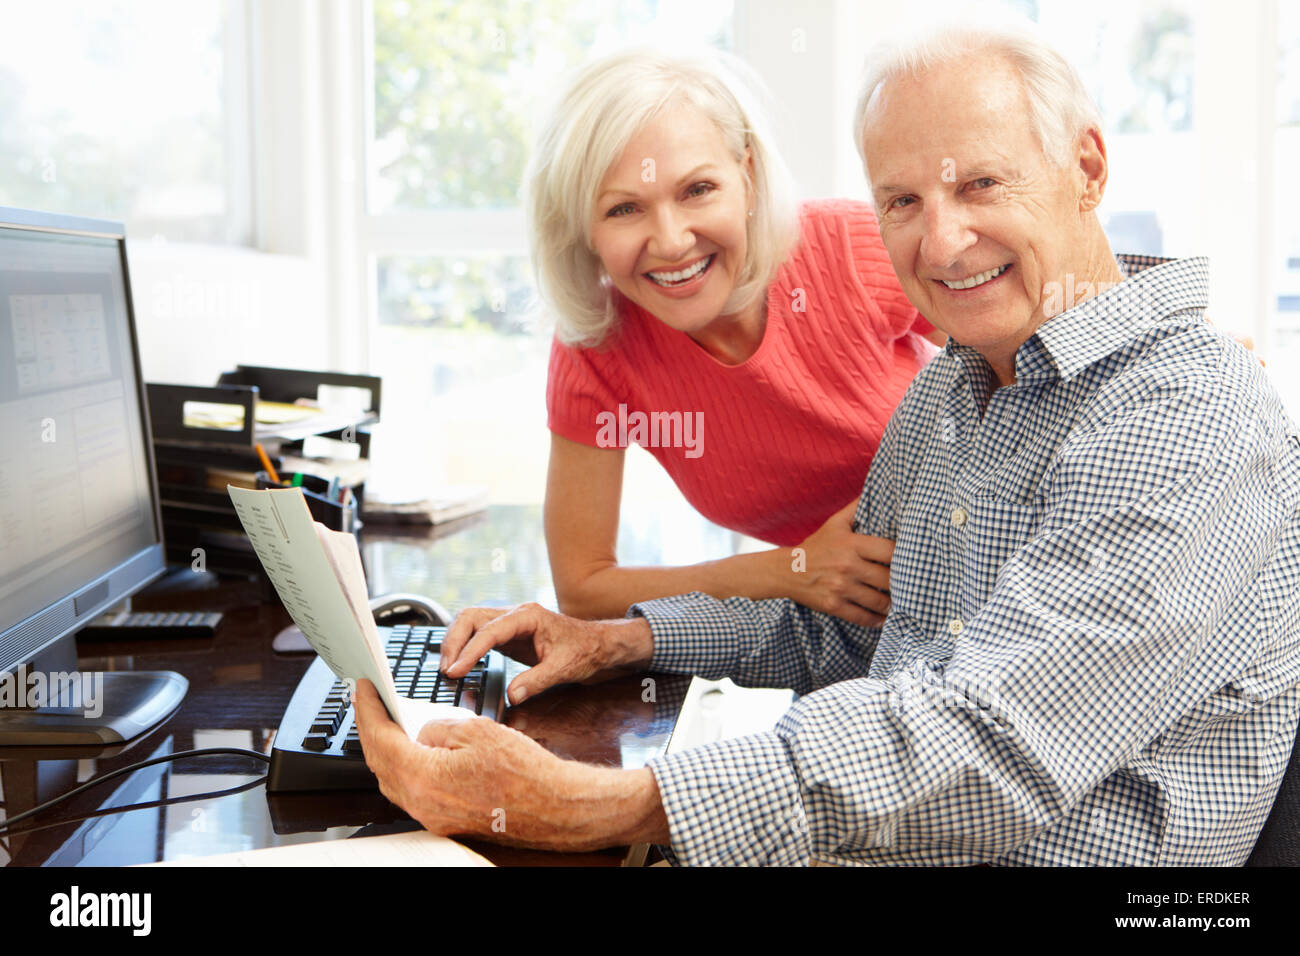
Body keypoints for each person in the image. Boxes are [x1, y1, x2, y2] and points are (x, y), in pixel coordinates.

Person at [354, 19, 1300, 865]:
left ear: (1087, 170)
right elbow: (844, 627)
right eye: (901, 202)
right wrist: (620, 642)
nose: (941, 243)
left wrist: (617, 807)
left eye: (979, 182)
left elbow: (994, 736)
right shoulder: (948, 390)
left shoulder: (1183, 412)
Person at [533, 48, 943, 625]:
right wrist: (792, 570)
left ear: (746, 178)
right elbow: (583, 588)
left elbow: (1030, 374)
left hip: (994, 582)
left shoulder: (848, 246)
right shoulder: (597, 349)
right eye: (624, 208)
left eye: (697, 190)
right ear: (582, 229)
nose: (672, 241)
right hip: (841, 628)